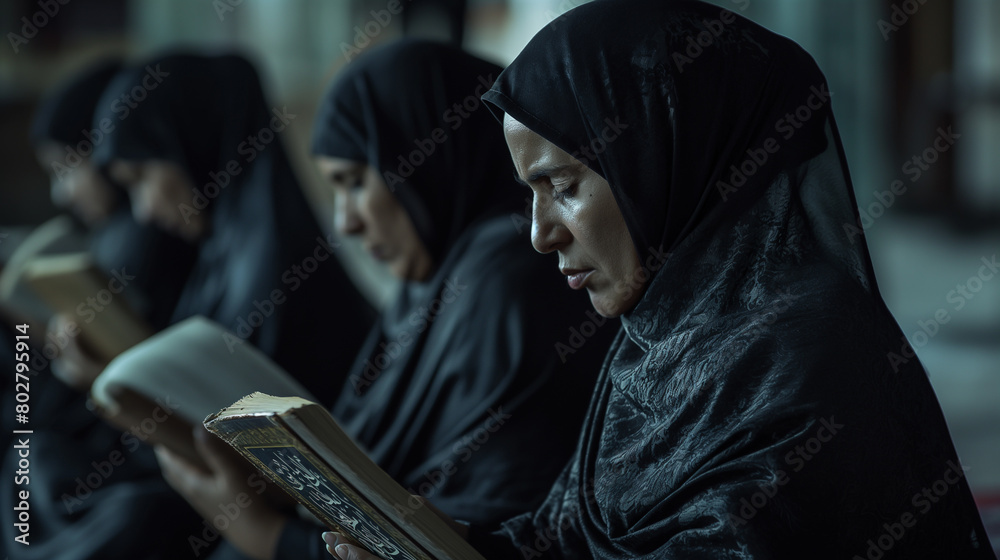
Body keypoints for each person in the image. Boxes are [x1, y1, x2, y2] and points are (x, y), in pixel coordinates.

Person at [325, 1, 995, 558]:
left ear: (663, 156)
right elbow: (557, 541)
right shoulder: (656, 338)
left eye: (561, 186)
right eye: (529, 194)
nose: (539, 234)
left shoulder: (804, 358)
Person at [156, 39, 616, 560]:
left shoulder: (509, 279)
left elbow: (490, 527)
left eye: (354, 181)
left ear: (429, 155)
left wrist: (262, 533)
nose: (345, 222)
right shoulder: (432, 287)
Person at [0, 58, 203, 560]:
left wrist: (88, 368)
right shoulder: (122, 233)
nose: (61, 192)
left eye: (68, 166)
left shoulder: (150, 241)